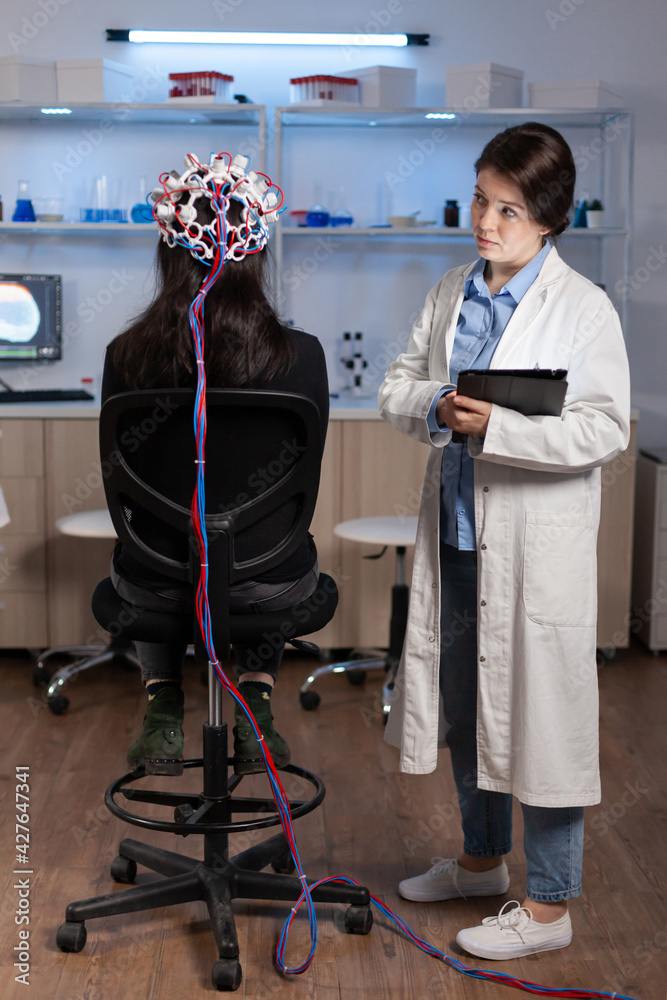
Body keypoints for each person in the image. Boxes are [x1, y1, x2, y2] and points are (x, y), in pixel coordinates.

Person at [378, 122, 630, 960]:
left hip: (533, 548)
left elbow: (603, 429)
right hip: (455, 537)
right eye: (482, 199)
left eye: (509, 210)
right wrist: (436, 405)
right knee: (464, 711)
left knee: (542, 720)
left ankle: (550, 909)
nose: (486, 222)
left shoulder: (583, 308)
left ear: (550, 219)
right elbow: (398, 382)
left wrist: (501, 429)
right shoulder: (453, 289)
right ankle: (481, 864)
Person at [101, 152, 329, 779]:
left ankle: (163, 700)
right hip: (269, 581)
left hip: (156, 583)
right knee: (265, 557)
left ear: (170, 253)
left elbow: (122, 493)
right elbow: (299, 490)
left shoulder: (125, 357)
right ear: (256, 253)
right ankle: (255, 699)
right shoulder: (303, 357)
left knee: (156, 551)